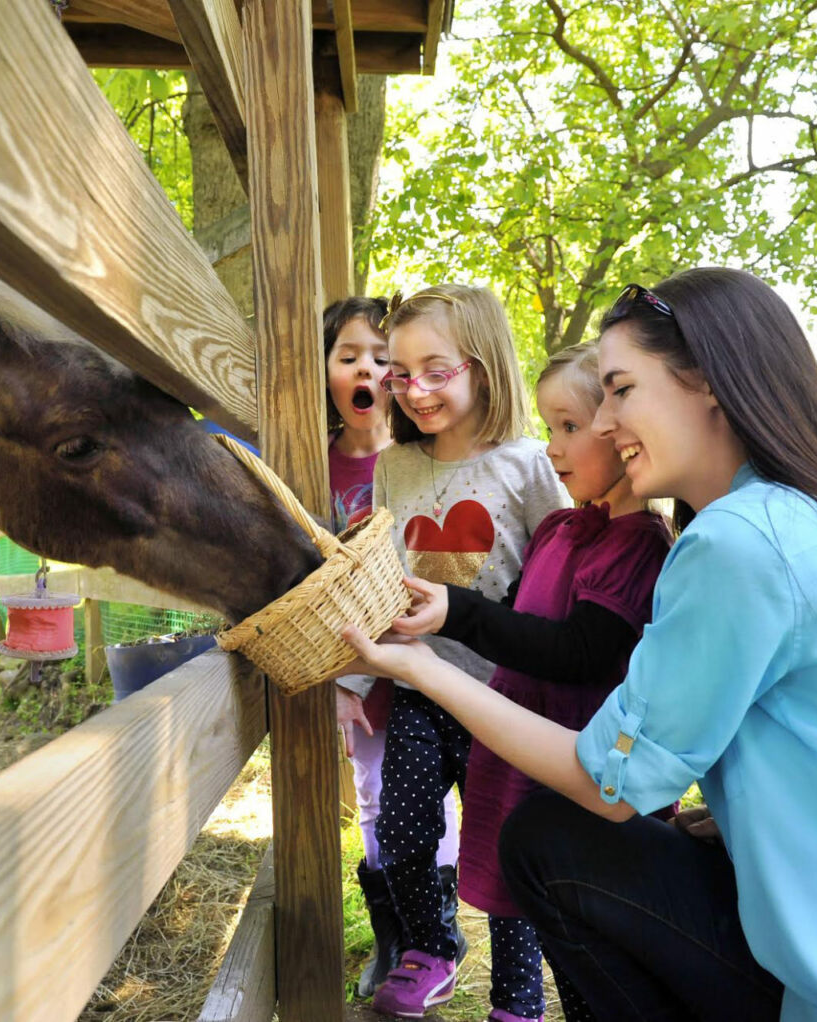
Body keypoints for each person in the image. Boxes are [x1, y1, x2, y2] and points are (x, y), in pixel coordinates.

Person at [340, 268, 817, 1021]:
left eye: (621, 390)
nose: (601, 424)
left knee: (546, 836)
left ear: (708, 383)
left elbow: (608, 782)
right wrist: (738, 824)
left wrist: (417, 668)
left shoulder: (740, 540)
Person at [389, 343, 673, 1021]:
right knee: (544, 914)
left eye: (569, 427)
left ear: (619, 430)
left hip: (574, 771)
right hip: (526, 758)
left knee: (590, 943)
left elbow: (577, 650)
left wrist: (458, 612)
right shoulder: (560, 529)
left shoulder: (637, 547)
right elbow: (517, 615)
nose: (553, 447)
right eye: (550, 429)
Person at [365, 285, 569, 1018]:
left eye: (436, 370)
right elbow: (381, 579)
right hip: (422, 688)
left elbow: (562, 569)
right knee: (402, 828)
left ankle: (518, 998)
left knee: (501, 847)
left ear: (482, 367)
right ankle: (430, 946)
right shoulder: (395, 468)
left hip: (503, 701)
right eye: (398, 371)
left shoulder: (526, 464)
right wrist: (363, 685)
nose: (414, 390)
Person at [320, 295, 463, 998]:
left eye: (384, 360)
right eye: (351, 357)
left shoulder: (419, 462)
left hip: (429, 656)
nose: (369, 370)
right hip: (354, 659)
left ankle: (436, 936)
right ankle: (395, 938)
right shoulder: (318, 467)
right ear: (325, 371)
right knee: (377, 797)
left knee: (431, 798)